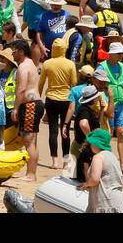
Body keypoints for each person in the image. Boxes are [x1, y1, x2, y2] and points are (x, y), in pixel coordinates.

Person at [39, 37, 77, 170]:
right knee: (65, 131)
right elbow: (74, 83)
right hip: (66, 100)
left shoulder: (47, 63)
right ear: (64, 49)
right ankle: (66, 162)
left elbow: (41, 83)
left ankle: (54, 161)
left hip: (51, 99)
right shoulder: (70, 64)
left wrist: (39, 99)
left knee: (53, 131)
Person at [10, 38, 42, 178]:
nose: (12, 54)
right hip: (36, 104)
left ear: (22, 51)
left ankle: (30, 174)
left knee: (28, 141)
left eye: (14, 52)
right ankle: (31, 172)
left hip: (30, 105)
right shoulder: (31, 64)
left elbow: (22, 89)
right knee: (32, 141)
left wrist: (16, 108)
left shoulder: (23, 66)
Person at [80, 128, 123, 213]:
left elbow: (95, 179)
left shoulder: (98, 157)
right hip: (118, 201)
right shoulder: (113, 157)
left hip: (105, 203)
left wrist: (86, 184)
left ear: (95, 144)